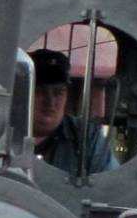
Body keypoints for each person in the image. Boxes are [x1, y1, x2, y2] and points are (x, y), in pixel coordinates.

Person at [29, 48, 116, 176]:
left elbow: (107, 185)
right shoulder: (2, 132)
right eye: (40, 92)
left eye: (58, 93)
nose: (50, 102)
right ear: (23, 92)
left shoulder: (87, 136)